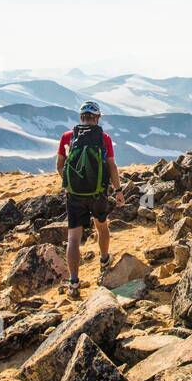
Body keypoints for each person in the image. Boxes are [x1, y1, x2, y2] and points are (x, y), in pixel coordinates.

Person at [56, 101, 124, 298]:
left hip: (74, 195)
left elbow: (60, 165)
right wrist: (118, 190)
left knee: (73, 238)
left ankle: (74, 283)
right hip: (98, 193)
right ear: (97, 118)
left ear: (81, 117)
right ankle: (104, 260)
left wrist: (70, 183)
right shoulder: (104, 138)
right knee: (101, 226)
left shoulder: (68, 137)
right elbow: (111, 166)